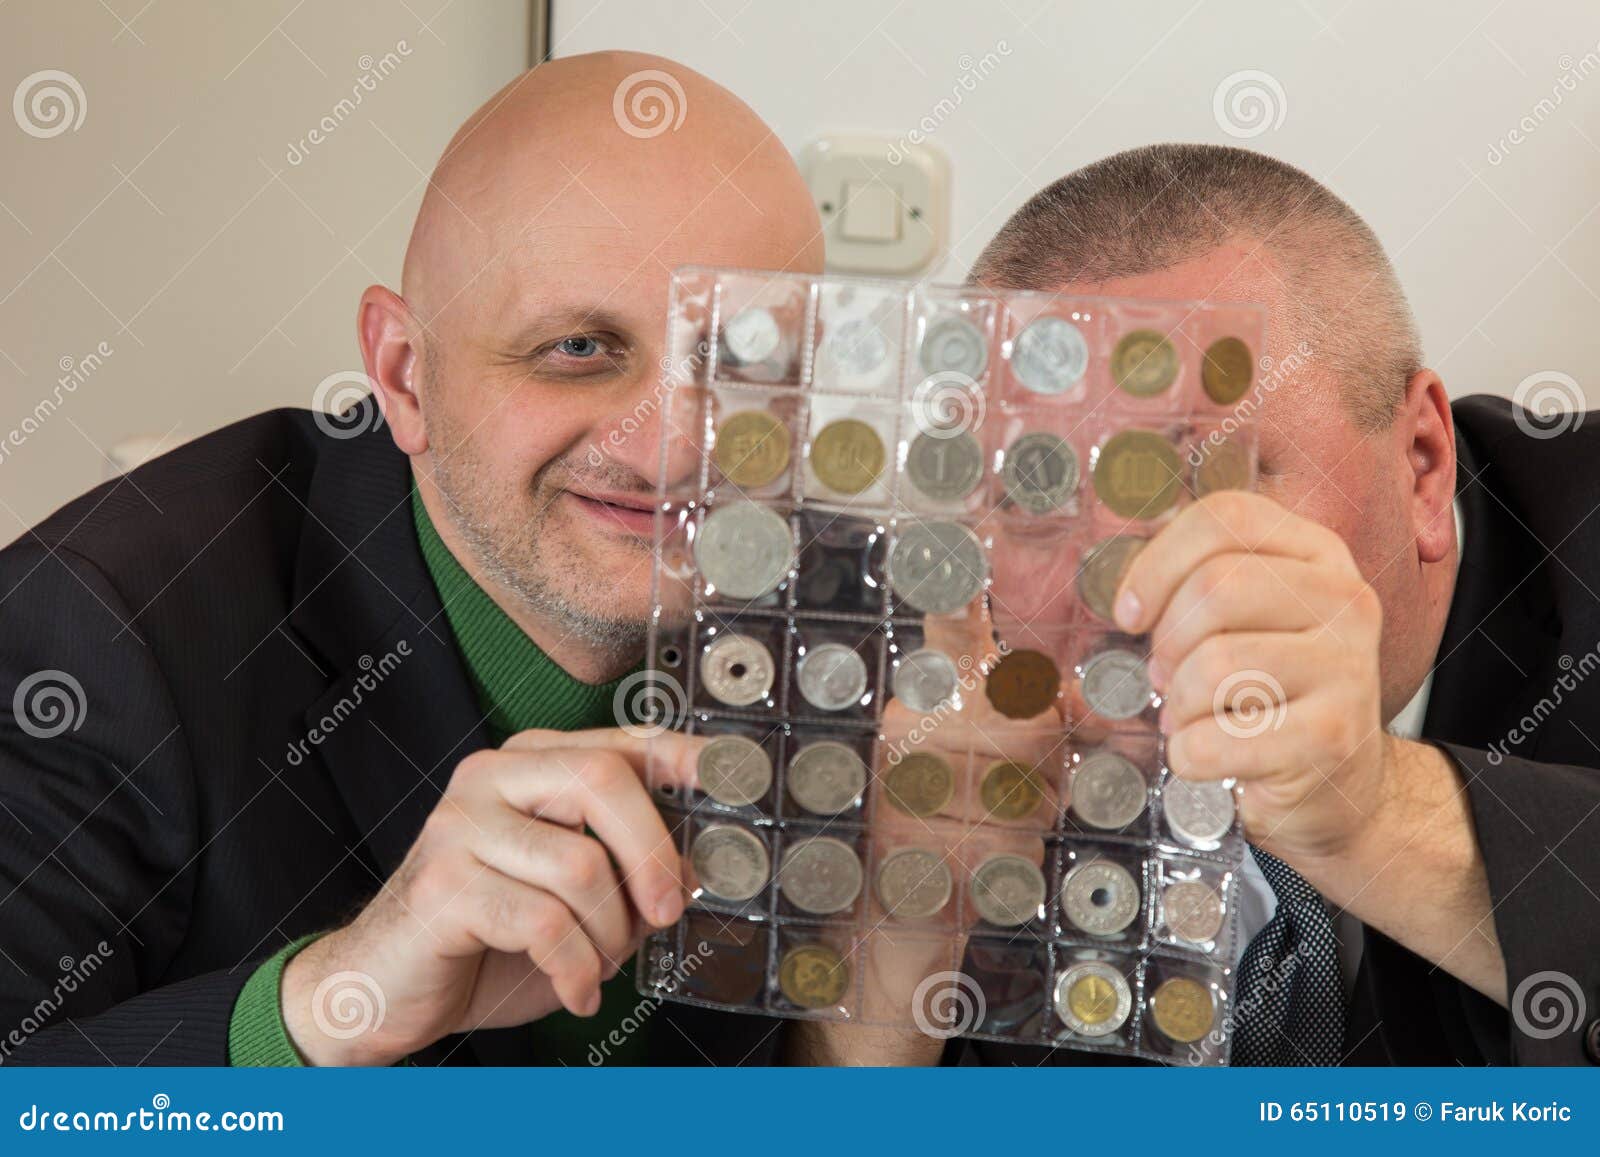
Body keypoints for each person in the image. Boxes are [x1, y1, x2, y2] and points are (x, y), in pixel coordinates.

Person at [0, 50, 823, 1066]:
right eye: (577, 348)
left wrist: (895, 993)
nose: (678, 447)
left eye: (745, 363)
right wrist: (326, 1003)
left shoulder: (850, 633)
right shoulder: (101, 635)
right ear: (403, 373)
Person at [952, 143, 1597, 1066]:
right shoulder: (922, 695)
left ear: (1422, 462)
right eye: (1036, 498)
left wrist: (1373, 812)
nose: (1122, 593)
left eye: (1203, 476)